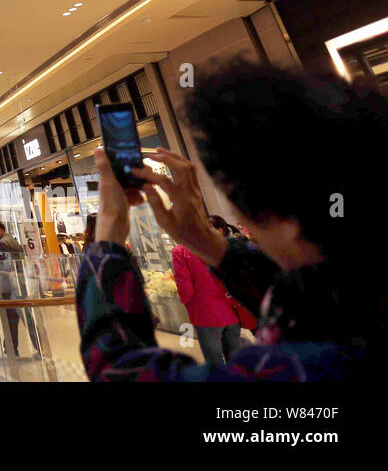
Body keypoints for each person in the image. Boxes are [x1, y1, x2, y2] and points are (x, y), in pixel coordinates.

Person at [76, 63, 381, 380]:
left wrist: (107, 239)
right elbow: (312, 298)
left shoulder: (296, 370)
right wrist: (205, 242)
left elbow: (119, 370)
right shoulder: (351, 292)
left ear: (282, 221)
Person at [171, 221, 242, 367]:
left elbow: (185, 287)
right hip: (230, 308)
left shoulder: (180, 251)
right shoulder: (221, 245)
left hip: (204, 312)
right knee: (236, 357)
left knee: (214, 360)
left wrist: (186, 302)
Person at [0, 220, 41, 359]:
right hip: (19, 282)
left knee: (12, 318)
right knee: (21, 317)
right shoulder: (13, 241)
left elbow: (2, 266)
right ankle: (14, 349)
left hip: (9, 284)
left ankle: (13, 350)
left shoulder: (1, 244)